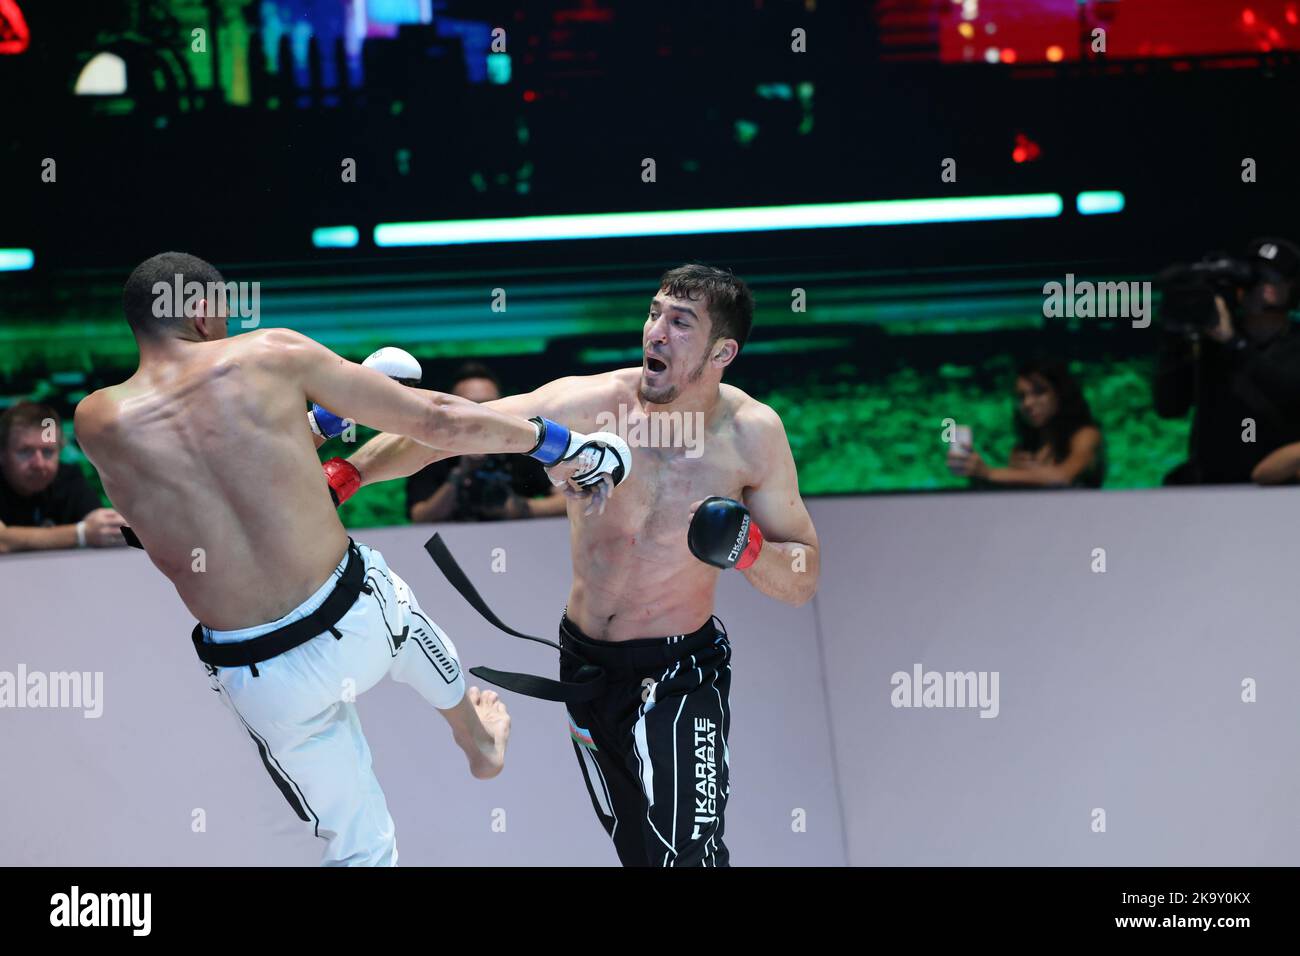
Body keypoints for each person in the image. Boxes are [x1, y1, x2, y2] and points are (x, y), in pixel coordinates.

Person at [73, 251, 626, 866]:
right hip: (358, 621)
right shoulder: (270, 353)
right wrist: (562, 445)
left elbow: (205, 486)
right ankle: (476, 738)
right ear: (201, 311)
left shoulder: (99, 421)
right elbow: (439, 420)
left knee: (362, 853)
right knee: (400, 613)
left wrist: (324, 423)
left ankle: (456, 752)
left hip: (258, 676)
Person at [346, 263, 821, 867]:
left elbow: (803, 579)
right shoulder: (588, 403)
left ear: (722, 350)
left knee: (691, 857)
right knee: (642, 855)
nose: (656, 331)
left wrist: (749, 549)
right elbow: (446, 429)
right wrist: (348, 474)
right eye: (654, 313)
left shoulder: (752, 435)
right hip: (585, 664)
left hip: (681, 672)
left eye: (680, 323)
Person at [1155, 237, 1300, 484]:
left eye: (1273, 278)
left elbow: (1289, 394)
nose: (1261, 287)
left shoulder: (1293, 344)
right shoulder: (1211, 341)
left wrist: (1234, 343)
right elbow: (1169, 407)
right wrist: (1176, 340)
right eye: (1255, 278)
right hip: (1212, 484)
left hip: (1278, 484)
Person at [407, 363, 569, 522]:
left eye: (491, 405)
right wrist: (457, 478)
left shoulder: (525, 443)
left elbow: (568, 500)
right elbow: (420, 515)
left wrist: (520, 508)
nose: (480, 415)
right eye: (469, 406)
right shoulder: (432, 448)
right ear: (448, 411)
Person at [947, 358, 1104, 489]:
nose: (1028, 403)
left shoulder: (1085, 436)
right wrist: (975, 474)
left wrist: (989, 473)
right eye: (1021, 396)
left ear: (1060, 393)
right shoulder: (1025, 449)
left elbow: (1063, 477)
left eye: (1039, 392)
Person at [0, 401, 127, 553]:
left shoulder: (69, 478)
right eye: (25, 451)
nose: (39, 464)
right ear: (2, 454)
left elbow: (99, 523)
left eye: (48, 452)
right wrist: (81, 534)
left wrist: (109, 526)